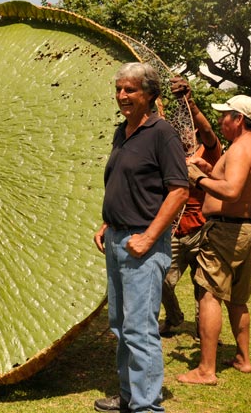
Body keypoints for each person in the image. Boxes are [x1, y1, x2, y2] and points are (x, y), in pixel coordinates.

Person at [93, 63, 189, 413]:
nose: (122, 96)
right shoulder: (123, 132)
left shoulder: (162, 134)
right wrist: (108, 222)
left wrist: (149, 238)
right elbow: (125, 182)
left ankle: (147, 407)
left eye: (130, 90)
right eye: (119, 89)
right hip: (118, 239)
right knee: (120, 325)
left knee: (139, 329)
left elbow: (179, 191)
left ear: (149, 94)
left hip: (142, 246)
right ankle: (129, 395)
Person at [177, 94, 251, 386]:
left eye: (225, 116)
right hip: (248, 229)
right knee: (239, 300)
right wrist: (208, 170)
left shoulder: (241, 148)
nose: (221, 121)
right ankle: (243, 358)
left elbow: (231, 191)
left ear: (239, 119)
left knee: (209, 294)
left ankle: (206, 370)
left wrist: (197, 178)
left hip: (227, 232)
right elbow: (239, 183)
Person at [159, 79, 222, 336]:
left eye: (188, 130)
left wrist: (190, 104)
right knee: (161, 280)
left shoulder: (208, 151)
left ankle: (203, 329)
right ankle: (174, 318)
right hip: (173, 230)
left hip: (201, 230)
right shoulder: (167, 154)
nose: (183, 134)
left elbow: (208, 132)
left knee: (203, 285)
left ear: (193, 132)